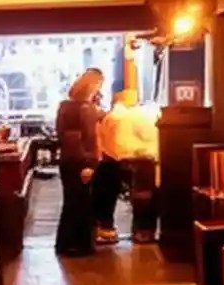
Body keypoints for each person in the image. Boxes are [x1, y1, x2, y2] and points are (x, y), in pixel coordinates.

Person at [93, 89, 158, 243]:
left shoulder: (111, 117)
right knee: (143, 198)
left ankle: (105, 229)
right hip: (144, 160)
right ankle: (143, 232)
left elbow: (106, 141)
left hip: (114, 158)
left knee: (106, 195)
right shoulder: (145, 115)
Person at [55, 69, 104, 256]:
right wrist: (91, 164)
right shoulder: (87, 109)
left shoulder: (64, 106)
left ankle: (64, 243)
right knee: (83, 203)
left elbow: (59, 134)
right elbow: (91, 138)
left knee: (70, 202)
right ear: (94, 85)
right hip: (82, 159)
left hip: (67, 159)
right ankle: (81, 244)